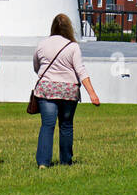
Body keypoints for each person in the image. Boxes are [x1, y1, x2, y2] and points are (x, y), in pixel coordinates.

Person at [31, 13, 99, 168]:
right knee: (66, 125)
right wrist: (92, 94)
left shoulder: (42, 44)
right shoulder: (72, 46)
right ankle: (66, 161)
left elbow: (36, 66)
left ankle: (43, 162)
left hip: (47, 88)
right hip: (69, 90)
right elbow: (80, 70)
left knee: (47, 125)